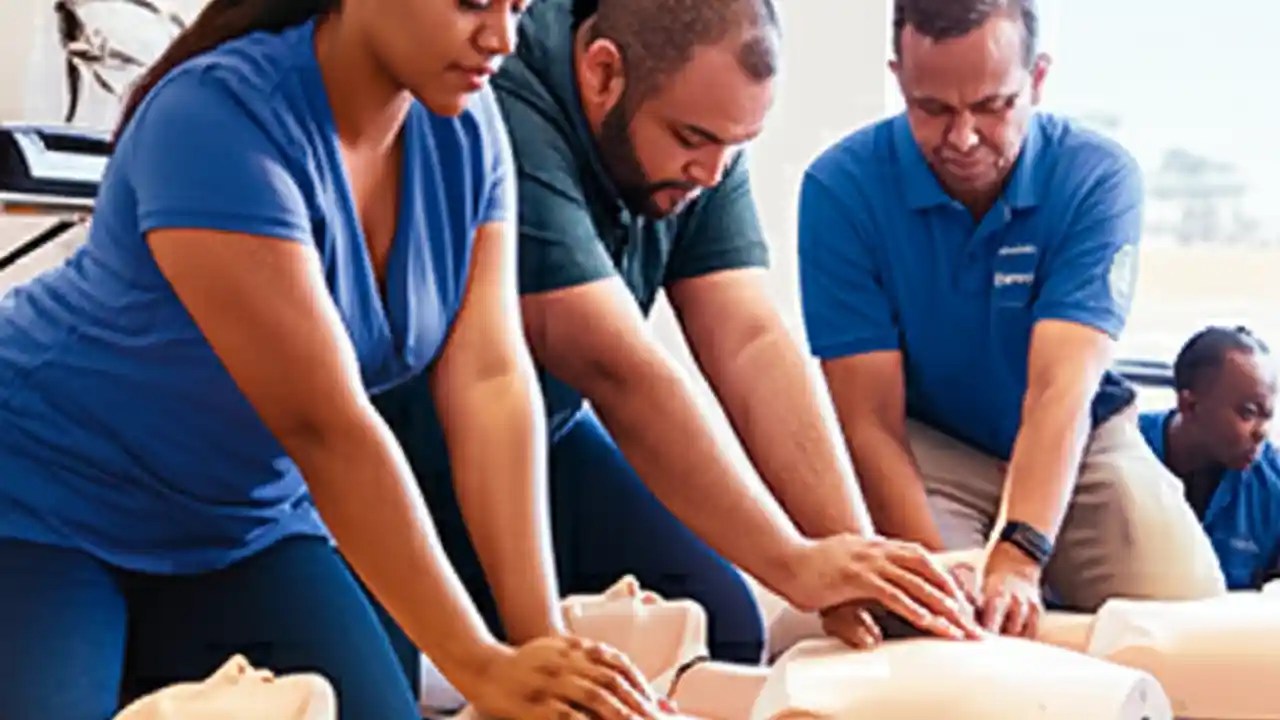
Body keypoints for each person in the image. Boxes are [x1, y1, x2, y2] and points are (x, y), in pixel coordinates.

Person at [0, 0, 670, 718]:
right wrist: (478, 662)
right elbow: (326, 427)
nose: (503, 38)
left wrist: (540, 641)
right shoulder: (213, 119)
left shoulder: (469, 128)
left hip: (241, 524)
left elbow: (491, 380)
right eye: (473, 2)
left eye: (520, 5)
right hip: (43, 493)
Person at [373, 0, 980, 671]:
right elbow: (617, 369)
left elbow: (749, 338)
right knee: (378, 688)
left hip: (541, 432)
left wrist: (857, 560)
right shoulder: (506, 94)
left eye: (734, 146)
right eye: (693, 140)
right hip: (392, 454)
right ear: (603, 73)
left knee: (720, 627)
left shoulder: (705, 140)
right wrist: (790, 562)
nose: (711, 174)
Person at [797, 0, 1227, 640]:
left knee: (1198, 629)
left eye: (992, 106)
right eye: (932, 109)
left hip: (1083, 438)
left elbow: (1060, 390)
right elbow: (871, 423)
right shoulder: (841, 188)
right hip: (933, 444)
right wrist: (937, 580)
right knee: (931, 632)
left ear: (1038, 79)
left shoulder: (1095, 176)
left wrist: (1021, 553)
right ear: (899, 79)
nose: (963, 138)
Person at [1138, 326, 1280, 590]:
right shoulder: (1117, 453)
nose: (1261, 432)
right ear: (1190, 406)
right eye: (1248, 413)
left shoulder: (1273, 485)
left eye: (1267, 416)